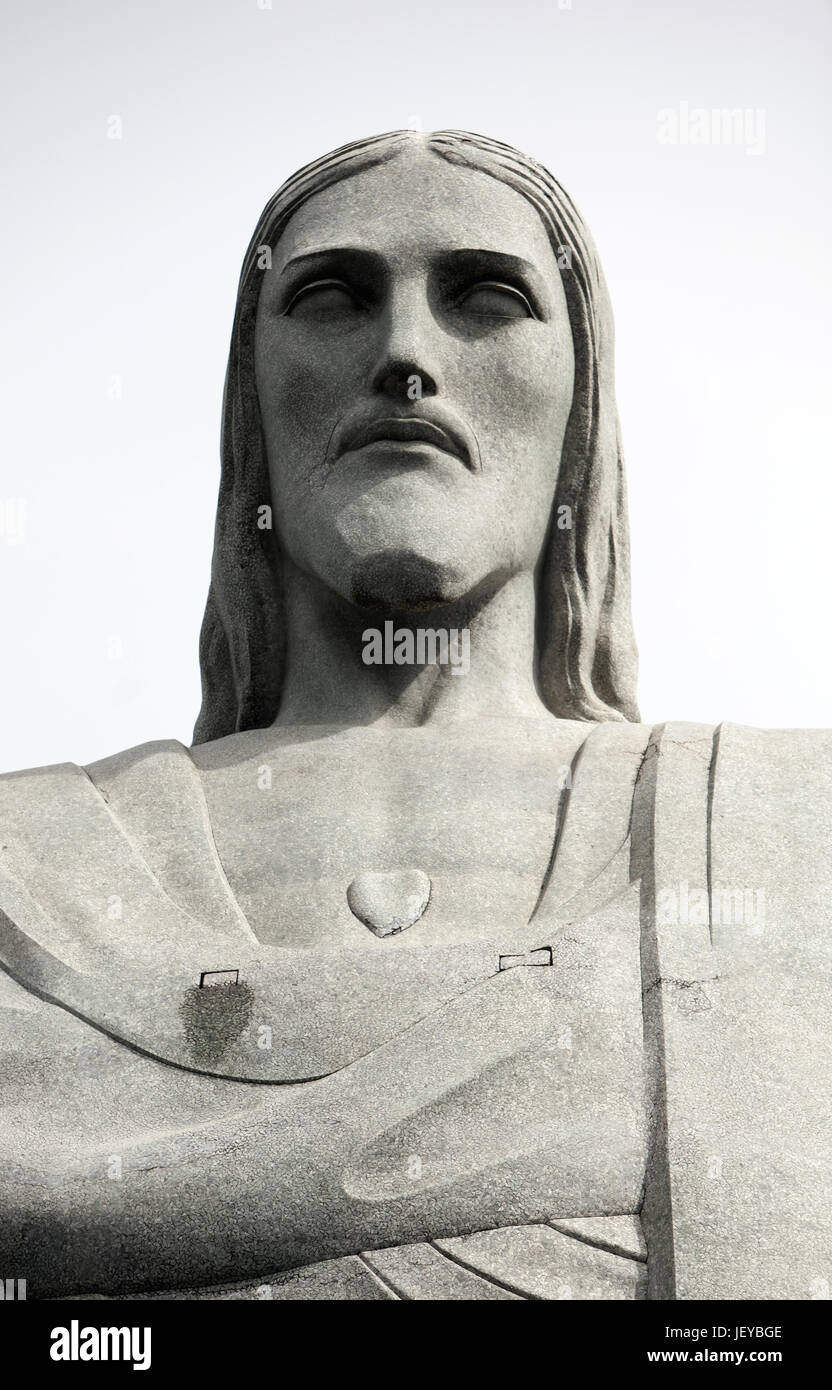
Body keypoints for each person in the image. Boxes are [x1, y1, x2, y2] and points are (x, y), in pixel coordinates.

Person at [0, 131, 828, 1300]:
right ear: (253, 406)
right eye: (331, 297)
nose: (403, 354)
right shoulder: (25, 861)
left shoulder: (787, 834)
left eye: (485, 297)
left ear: (579, 415)